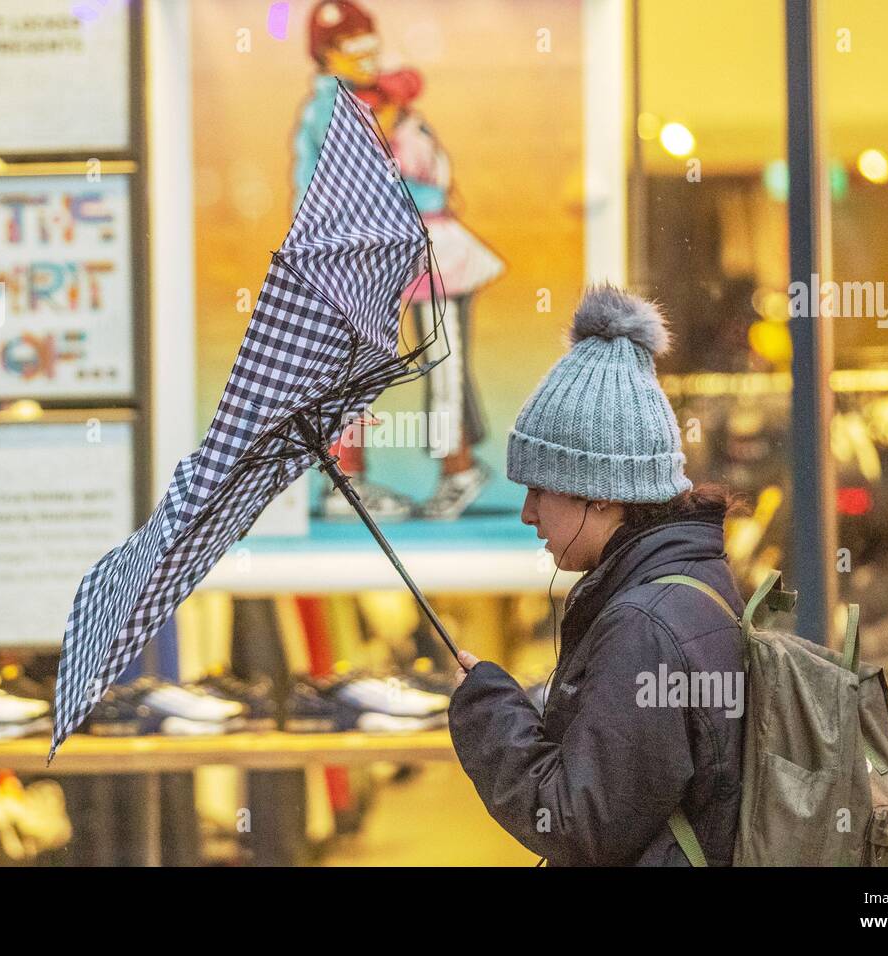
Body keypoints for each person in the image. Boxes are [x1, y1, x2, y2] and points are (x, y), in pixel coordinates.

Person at [447, 285, 745, 866]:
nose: (528, 513)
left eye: (540, 491)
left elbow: (580, 824)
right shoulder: (687, 582)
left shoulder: (643, 626)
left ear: (601, 494)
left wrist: (487, 714)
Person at [294, 0, 502, 522]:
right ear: (327, 55)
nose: (365, 54)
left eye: (368, 43)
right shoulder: (332, 109)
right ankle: (348, 481)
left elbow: (429, 170)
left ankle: (457, 468)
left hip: (425, 248)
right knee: (351, 366)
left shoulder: (383, 100)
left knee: (442, 363)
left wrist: (392, 104)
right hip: (360, 254)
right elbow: (333, 181)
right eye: (349, 46)